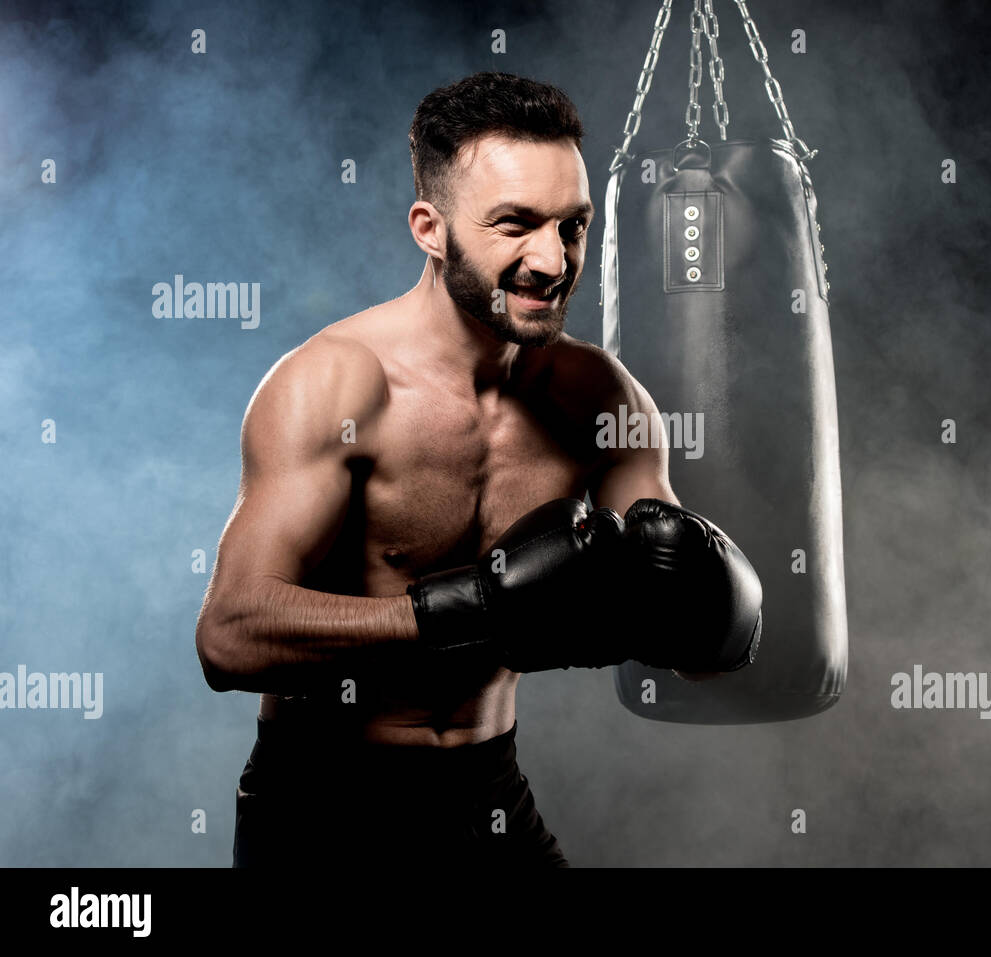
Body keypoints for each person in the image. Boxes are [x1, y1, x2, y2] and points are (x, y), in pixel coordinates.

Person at [194, 71, 762, 869]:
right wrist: (459, 610)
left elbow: (692, 646)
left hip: (485, 790)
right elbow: (227, 637)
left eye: (573, 226)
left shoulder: (598, 396)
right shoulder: (334, 385)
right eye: (515, 225)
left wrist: (716, 611)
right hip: (323, 806)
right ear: (430, 227)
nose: (552, 259)